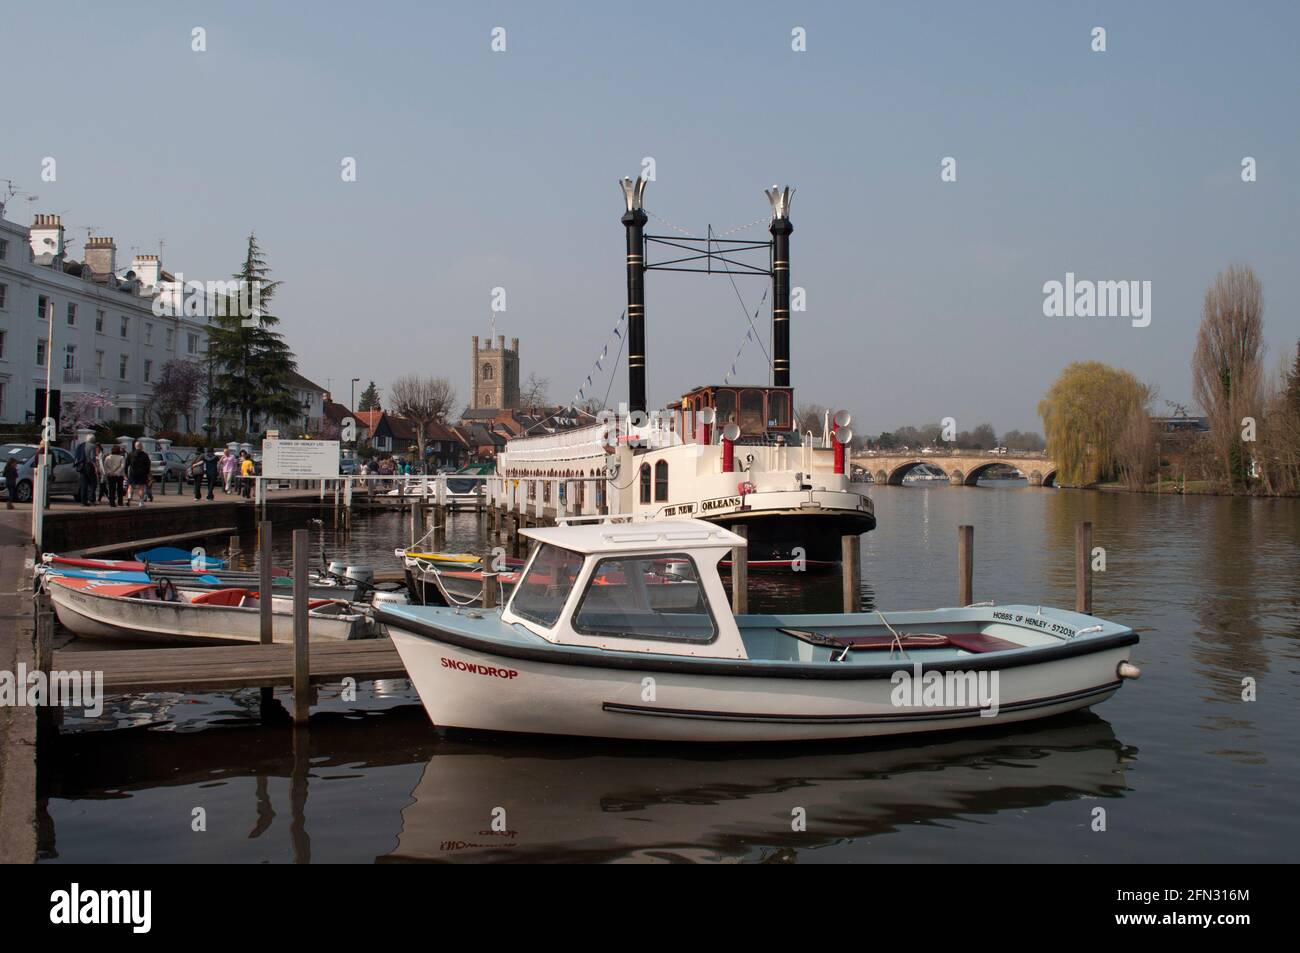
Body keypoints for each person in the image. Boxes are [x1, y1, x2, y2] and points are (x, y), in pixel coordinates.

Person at [127, 441, 152, 507]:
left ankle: (129, 496)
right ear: (141, 447)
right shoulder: (145, 455)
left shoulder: (130, 454)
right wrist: (147, 473)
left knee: (130, 486)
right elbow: (148, 465)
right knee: (141, 488)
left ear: (135, 446)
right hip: (142, 473)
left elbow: (126, 464)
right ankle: (141, 502)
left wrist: (126, 474)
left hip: (132, 473)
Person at [73, 435, 95, 506]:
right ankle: (91, 499)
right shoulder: (92, 446)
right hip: (89, 466)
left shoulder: (80, 445)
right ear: (93, 439)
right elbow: (92, 458)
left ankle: (83, 502)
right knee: (92, 483)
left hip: (81, 466)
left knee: (83, 485)